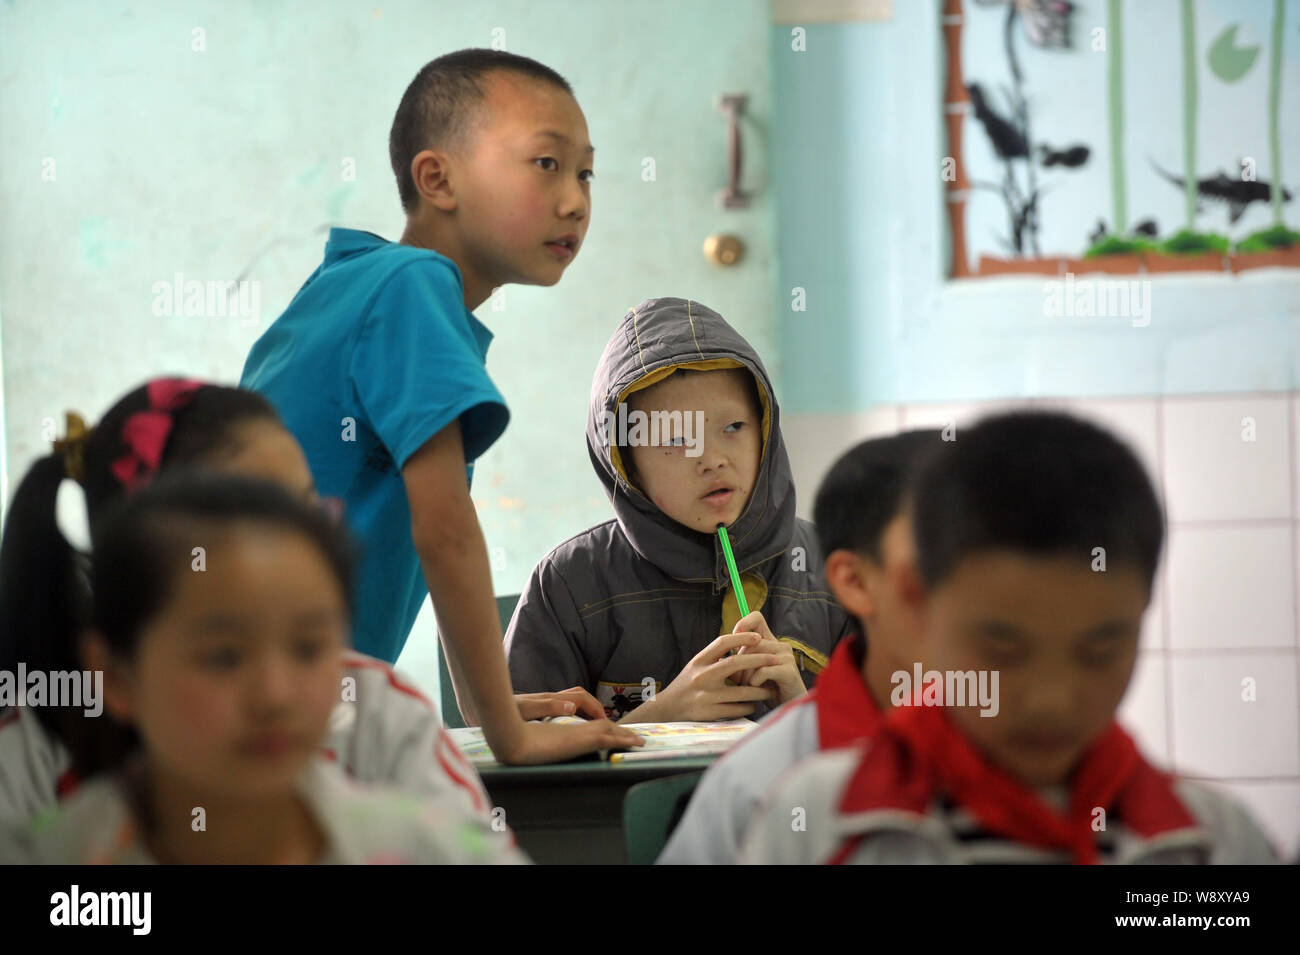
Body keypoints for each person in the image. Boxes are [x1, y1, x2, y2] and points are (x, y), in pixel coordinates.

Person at [737, 411, 1278, 864]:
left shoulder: (1211, 845)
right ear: (916, 599)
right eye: (1003, 649)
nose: (1051, 701)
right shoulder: (815, 830)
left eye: (1101, 650)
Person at [507, 297, 852, 723]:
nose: (711, 459)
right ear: (624, 462)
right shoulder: (568, 583)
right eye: (674, 439)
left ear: (764, 430)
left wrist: (801, 714)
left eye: (733, 427)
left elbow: (895, 754)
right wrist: (659, 715)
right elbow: (523, 769)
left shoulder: (834, 568)